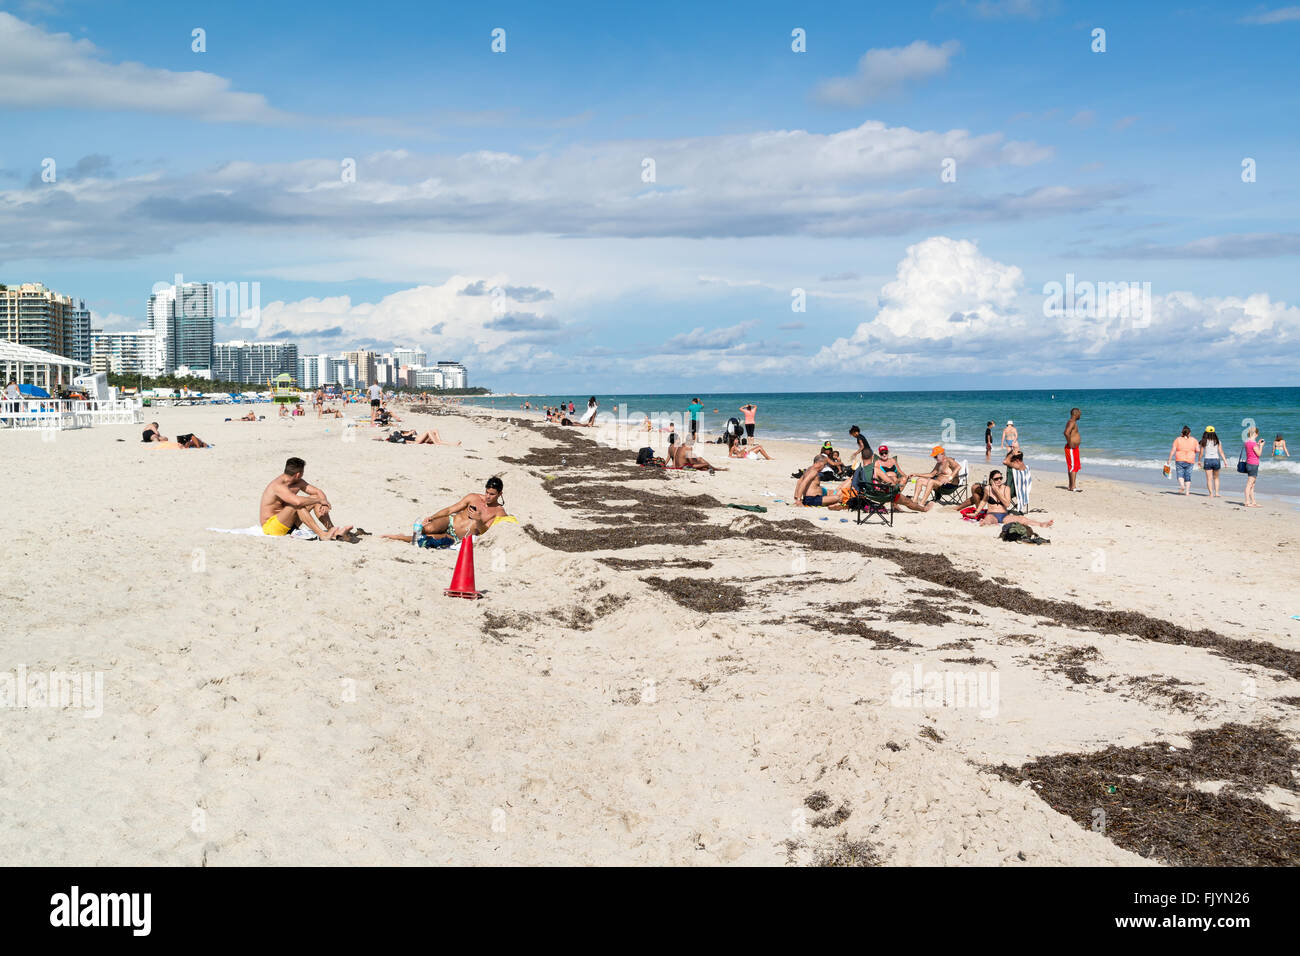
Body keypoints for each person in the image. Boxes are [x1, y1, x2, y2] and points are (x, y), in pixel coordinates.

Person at [383, 476, 512, 548]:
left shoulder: (499, 512)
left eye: (492, 494)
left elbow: (485, 532)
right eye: (487, 492)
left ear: (500, 494)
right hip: (450, 521)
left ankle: (399, 537)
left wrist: (478, 520)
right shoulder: (474, 497)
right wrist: (432, 517)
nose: (488, 496)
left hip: (457, 537)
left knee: (426, 540)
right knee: (427, 528)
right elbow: (451, 509)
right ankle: (404, 534)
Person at [259, 457, 355, 540]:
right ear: (298, 474)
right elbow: (297, 502)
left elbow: (318, 492)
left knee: (314, 498)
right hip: (271, 528)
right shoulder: (278, 486)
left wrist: (324, 504)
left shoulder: (297, 482)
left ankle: (333, 531)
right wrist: (320, 500)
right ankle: (322, 534)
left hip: (289, 525)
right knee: (298, 504)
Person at [980, 470, 1053, 529]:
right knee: (990, 519)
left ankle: (1041, 524)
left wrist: (997, 491)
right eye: (996, 479)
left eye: (1001, 478)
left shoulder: (1006, 488)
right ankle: (985, 522)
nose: (999, 480)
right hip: (992, 514)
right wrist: (976, 513)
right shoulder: (987, 489)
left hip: (1004, 515)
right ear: (991, 480)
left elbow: (1007, 504)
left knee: (1022, 519)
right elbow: (983, 501)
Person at [871, 445, 934, 512]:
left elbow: (900, 471)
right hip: (886, 484)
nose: (884, 454)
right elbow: (876, 476)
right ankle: (895, 502)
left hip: (895, 482)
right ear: (879, 454)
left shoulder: (892, 460)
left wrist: (907, 476)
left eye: (885, 452)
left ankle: (894, 501)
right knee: (894, 479)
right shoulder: (877, 463)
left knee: (903, 479)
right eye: (881, 453)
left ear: (888, 452)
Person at [1166, 425, 1199, 496]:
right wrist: (1192, 452)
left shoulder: (1177, 439)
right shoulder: (1194, 440)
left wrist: (1169, 459)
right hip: (1190, 459)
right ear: (1189, 433)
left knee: (1180, 474)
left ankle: (1182, 486)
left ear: (1182, 433)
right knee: (1188, 476)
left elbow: (1173, 450)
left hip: (1179, 459)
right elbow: (1198, 450)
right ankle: (1187, 492)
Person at [1198, 426, 1227, 498]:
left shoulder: (1203, 442)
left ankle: (1211, 494)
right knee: (1216, 478)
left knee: (1209, 479)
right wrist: (1225, 461)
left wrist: (1199, 461)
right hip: (1216, 460)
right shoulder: (1218, 441)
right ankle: (1217, 493)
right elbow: (1221, 452)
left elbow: (1201, 453)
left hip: (1207, 460)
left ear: (1206, 432)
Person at [1242, 426, 1264, 508]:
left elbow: (1251, 450)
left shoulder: (1247, 442)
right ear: (1255, 434)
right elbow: (1259, 454)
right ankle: (1247, 502)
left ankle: (1253, 502)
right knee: (1249, 484)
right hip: (1253, 464)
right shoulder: (1253, 444)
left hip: (1249, 463)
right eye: (1257, 434)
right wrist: (1261, 446)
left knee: (1252, 484)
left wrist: (1258, 444)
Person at [1064, 407, 1082, 492]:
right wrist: (1070, 443)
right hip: (1071, 448)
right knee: (1073, 467)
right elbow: (1066, 432)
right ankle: (1073, 487)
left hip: (1074, 448)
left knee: (1075, 466)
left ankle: (1071, 486)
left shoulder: (1073, 422)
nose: (1080, 415)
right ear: (1075, 414)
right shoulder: (1071, 422)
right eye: (1079, 413)